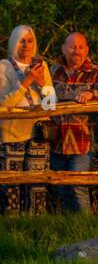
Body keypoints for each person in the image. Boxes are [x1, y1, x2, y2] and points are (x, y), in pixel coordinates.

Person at [50, 32, 98, 213]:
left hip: (82, 142)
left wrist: (93, 94)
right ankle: (70, 232)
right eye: (72, 47)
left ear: (86, 50)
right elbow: (43, 97)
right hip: (57, 141)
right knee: (63, 189)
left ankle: (86, 231)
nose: (76, 51)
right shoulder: (53, 71)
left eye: (80, 47)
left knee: (78, 187)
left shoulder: (95, 73)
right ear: (64, 49)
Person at [0, 25, 55, 215]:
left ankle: (35, 222)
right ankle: (12, 225)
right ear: (15, 42)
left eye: (30, 40)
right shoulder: (4, 67)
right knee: (11, 183)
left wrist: (41, 84)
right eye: (22, 40)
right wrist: (26, 81)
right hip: (12, 132)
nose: (26, 45)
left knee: (36, 182)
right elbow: (3, 104)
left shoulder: (41, 65)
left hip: (38, 131)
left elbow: (50, 104)